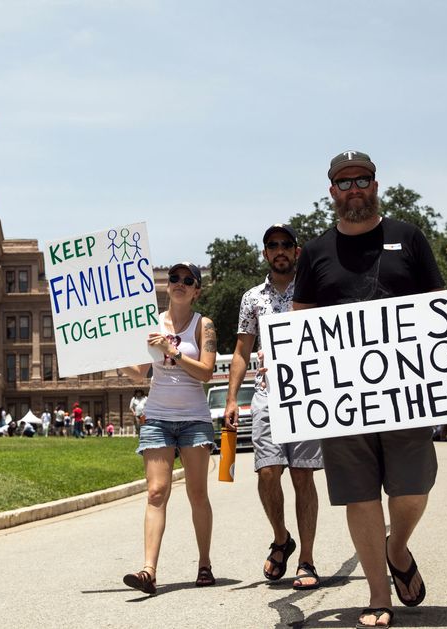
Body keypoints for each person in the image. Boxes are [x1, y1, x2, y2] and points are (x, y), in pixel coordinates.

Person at [291, 151, 445, 628]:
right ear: (332, 191)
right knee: (359, 495)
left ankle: (396, 547)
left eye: (362, 180)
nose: (354, 188)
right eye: (344, 182)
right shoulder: (315, 253)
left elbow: (435, 307)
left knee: (413, 488)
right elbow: (301, 323)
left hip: (405, 393)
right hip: (343, 401)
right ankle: (380, 595)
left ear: (376, 185)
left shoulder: (409, 238)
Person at [225, 223, 324, 590]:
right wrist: (233, 397)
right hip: (267, 392)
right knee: (267, 472)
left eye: (286, 244)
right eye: (272, 245)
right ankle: (281, 537)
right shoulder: (253, 298)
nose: (279, 250)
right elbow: (241, 350)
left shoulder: (315, 289)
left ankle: (307, 561)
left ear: (296, 252)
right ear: (265, 253)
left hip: (306, 391)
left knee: (303, 475)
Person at [120, 262, 218, 595]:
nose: (179, 283)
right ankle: (149, 570)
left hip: (194, 419)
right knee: (156, 493)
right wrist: (108, 355)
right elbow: (138, 372)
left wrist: (172, 351)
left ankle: (204, 563)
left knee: (197, 494)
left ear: (196, 290)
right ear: (167, 287)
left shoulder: (204, 326)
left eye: (187, 280)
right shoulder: (151, 323)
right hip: (158, 416)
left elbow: (205, 373)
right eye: (174, 279)